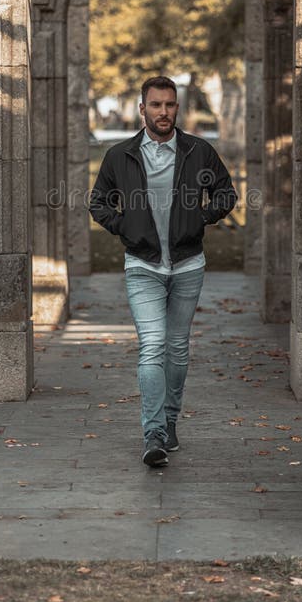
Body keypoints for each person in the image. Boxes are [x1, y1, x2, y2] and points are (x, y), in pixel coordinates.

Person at [88, 75, 237, 467]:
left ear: (177, 108)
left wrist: (200, 218)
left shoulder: (198, 152)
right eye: (156, 105)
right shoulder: (121, 156)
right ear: (143, 109)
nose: (164, 112)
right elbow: (98, 202)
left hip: (188, 264)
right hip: (142, 265)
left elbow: (226, 193)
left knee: (177, 349)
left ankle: (170, 422)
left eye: (170, 105)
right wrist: (126, 227)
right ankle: (153, 432)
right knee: (152, 347)